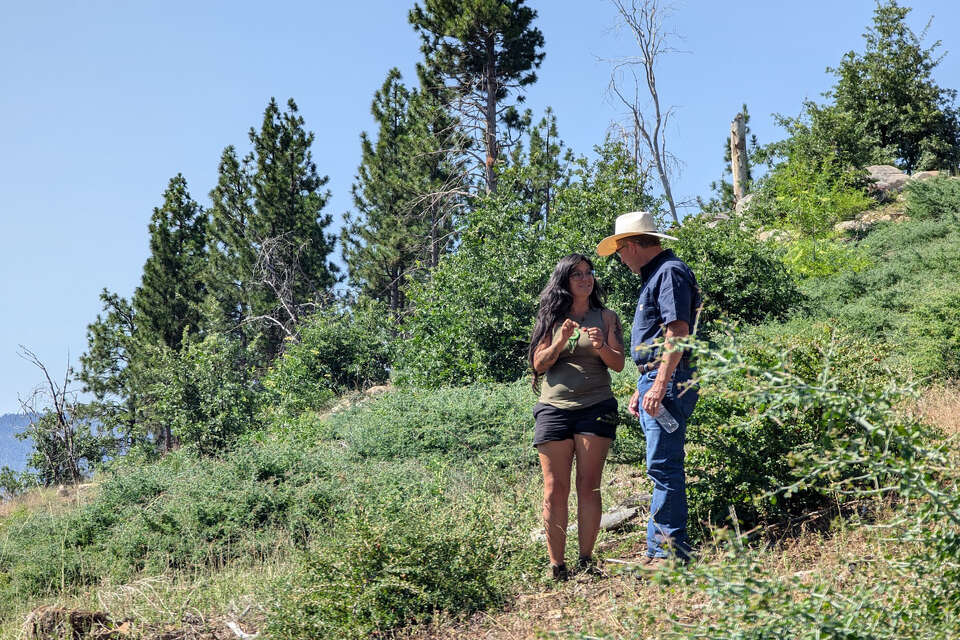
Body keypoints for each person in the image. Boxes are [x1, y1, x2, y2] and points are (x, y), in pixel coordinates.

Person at [597, 211, 701, 569]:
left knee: (663, 465)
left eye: (620, 251)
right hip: (659, 379)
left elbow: (677, 333)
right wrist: (643, 386)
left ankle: (668, 554)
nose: (621, 260)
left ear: (632, 245)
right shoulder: (657, 274)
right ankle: (663, 550)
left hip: (668, 380)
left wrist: (656, 384)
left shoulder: (668, 272)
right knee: (661, 465)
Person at [528, 254, 626, 581]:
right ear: (565, 281)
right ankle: (557, 566)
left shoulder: (607, 317)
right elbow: (538, 365)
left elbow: (618, 364)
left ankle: (585, 559)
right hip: (553, 410)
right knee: (554, 489)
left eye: (589, 273)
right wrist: (558, 342)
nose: (585, 279)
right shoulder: (551, 317)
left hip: (597, 407)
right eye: (577, 274)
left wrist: (600, 346)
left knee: (589, 486)